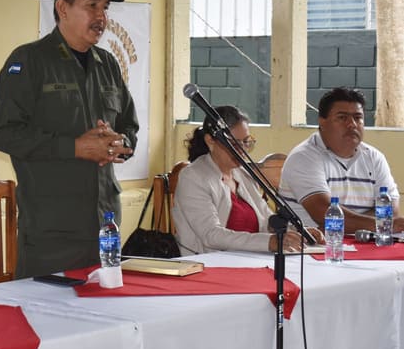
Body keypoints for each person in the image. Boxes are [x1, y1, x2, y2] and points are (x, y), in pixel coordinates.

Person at [0, 0, 139, 278]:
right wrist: (74, 147)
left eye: (104, 8)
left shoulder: (107, 64)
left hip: (104, 226)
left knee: (106, 320)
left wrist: (118, 142)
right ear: (62, 8)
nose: (101, 16)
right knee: (46, 322)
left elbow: (130, 129)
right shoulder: (29, 61)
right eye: (92, 5)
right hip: (51, 233)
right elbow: (4, 133)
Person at [172, 106, 324, 255]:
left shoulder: (243, 174)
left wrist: (297, 232)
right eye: (233, 143)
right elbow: (211, 236)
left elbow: (266, 222)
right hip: (207, 264)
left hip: (252, 259)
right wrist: (269, 242)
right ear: (210, 141)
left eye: (246, 142)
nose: (242, 149)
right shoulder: (192, 177)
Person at [279, 87, 403, 234]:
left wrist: (352, 224)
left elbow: (391, 212)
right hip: (311, 248)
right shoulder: (304, 157)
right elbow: (324, 214)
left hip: (364, 243)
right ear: (322, 122)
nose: (352, 124)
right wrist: (382, 223)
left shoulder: (374, 158)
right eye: (342, 117)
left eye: (358, 117)